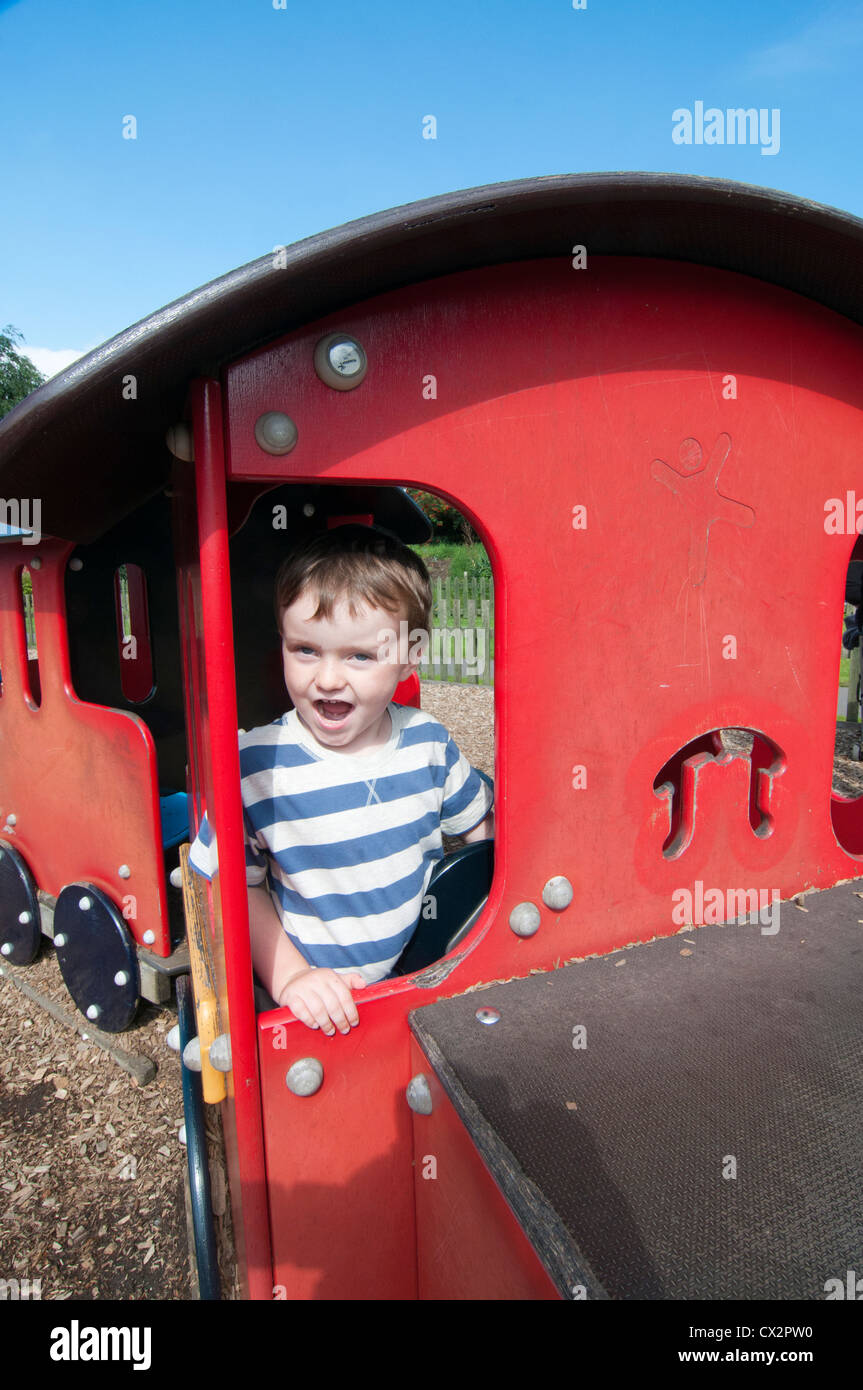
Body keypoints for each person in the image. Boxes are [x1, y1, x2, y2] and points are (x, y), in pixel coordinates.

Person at [189, 525, 494, 1036]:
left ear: (410, 656)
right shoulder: (257, 765)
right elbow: (231, 886)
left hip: (418, 973)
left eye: (359, 656)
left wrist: (473, 933)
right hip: (313, 998)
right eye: (306, 649)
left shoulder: (428, 743)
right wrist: (291, 977)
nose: (328, 678)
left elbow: (477, 837)